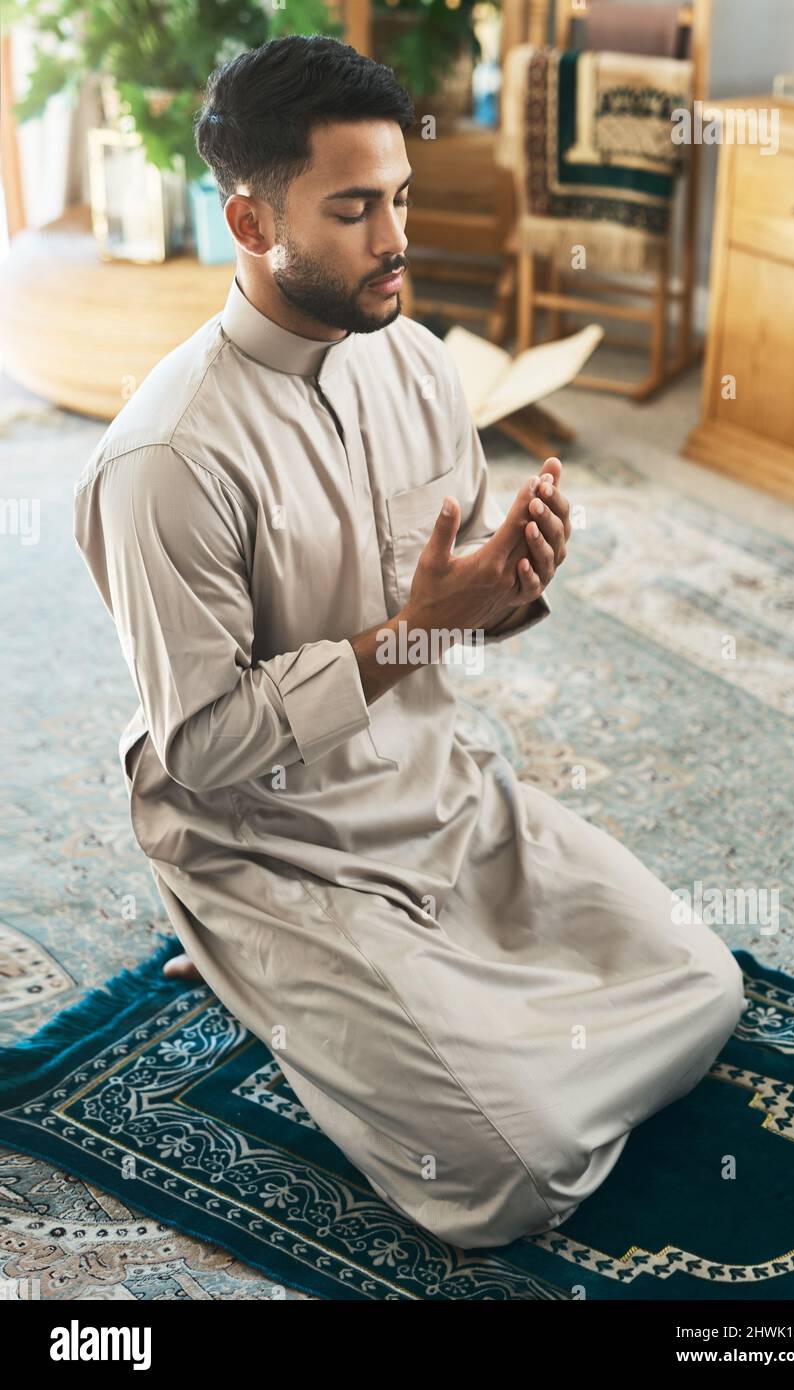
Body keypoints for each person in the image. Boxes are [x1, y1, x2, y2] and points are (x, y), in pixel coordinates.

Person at [73, 35, 745, 1251]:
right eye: (351, 209)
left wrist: (510, 583)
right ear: (248, 218)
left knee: (708, 989)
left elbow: (442, 608)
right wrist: (413, 634)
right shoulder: (165, 462)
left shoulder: (422, 364)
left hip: (442, 792)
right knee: (516, 1170)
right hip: (272, 842)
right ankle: (239, 952)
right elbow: (209, 745)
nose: (394, 239)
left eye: (399, 199)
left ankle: (426, 1003)